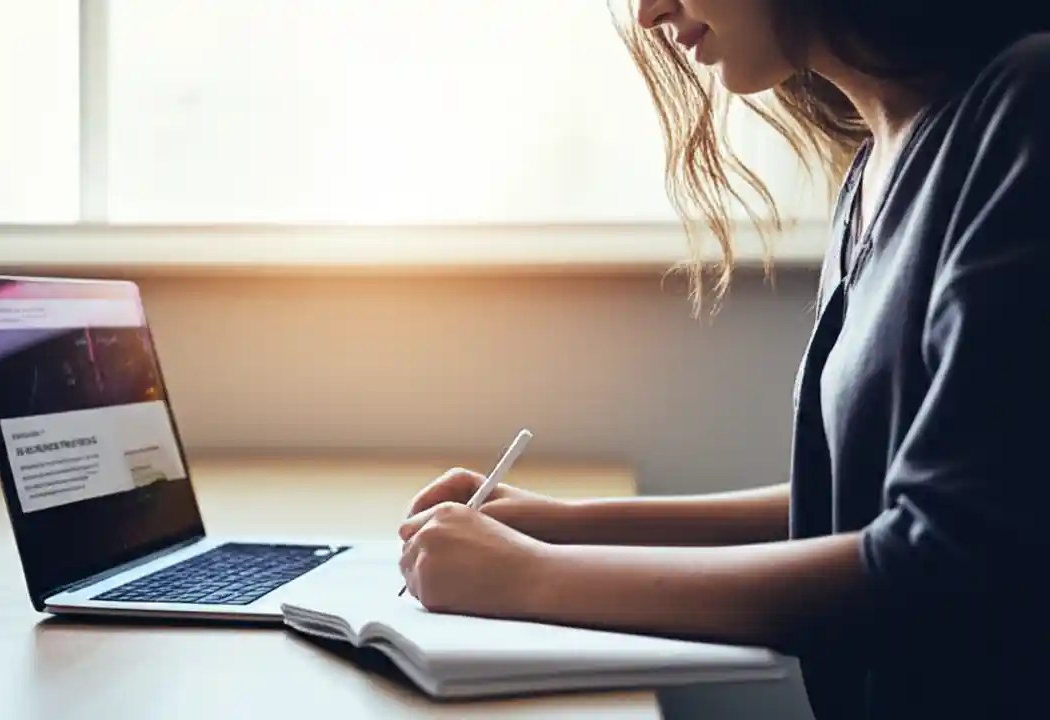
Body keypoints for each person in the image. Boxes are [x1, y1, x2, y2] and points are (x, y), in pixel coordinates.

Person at [396, 2, 1050, 718]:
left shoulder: (1027, 108)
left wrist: (533, 578)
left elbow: (940, 561)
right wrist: (566, 523)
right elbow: (845, 506)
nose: (650, 12)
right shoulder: (878, 162)